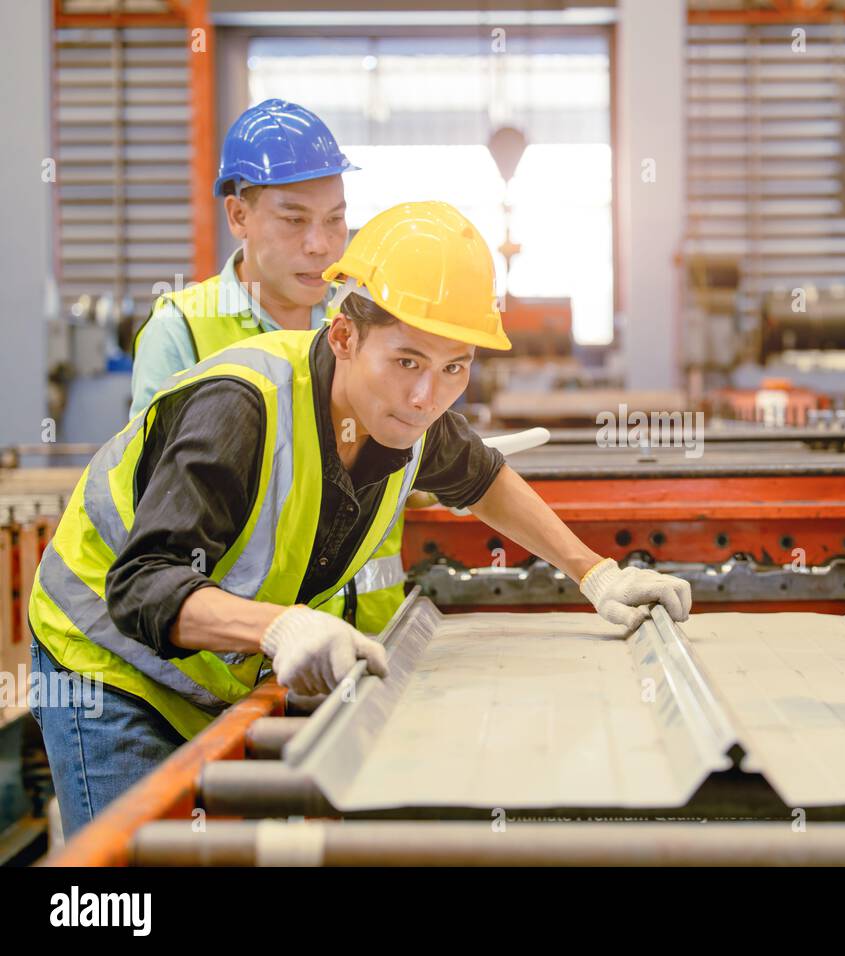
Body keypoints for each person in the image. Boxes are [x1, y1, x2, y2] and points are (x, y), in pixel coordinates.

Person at [30, 201, 692, 837]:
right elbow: (142, 585)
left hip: (211, 669)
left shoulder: (409, 419)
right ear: (344, 336)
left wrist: (597, 574)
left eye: (453, 368)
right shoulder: (240, 409)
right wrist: (280, 627)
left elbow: (485, 477)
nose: (424, 396)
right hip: (109, 661)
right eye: (406, 361)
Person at [131, 97, 404, 634]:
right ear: (239, 216)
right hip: (241, 651)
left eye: (335, 219)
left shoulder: (361, 319)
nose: (320, 245)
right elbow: (157, 507)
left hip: (374, 642)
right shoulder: (183, 328)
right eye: (294, 220)